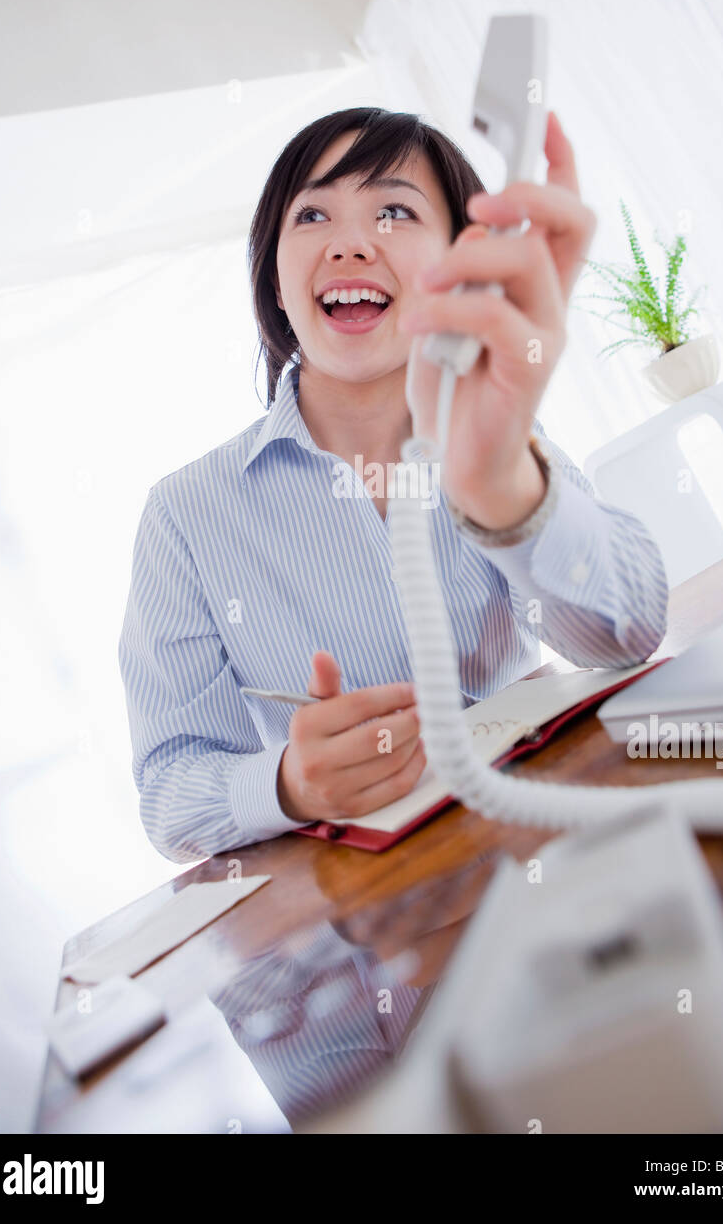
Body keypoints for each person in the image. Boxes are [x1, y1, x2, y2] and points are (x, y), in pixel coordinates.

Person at [118, 106, 668, 864]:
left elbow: (628, 633)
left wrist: (502, 486)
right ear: (274, 281)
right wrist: (287, 783)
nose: (349, 243)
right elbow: (169, 790)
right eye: (312, 214)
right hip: (366, 905)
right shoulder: (184, 515)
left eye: (394, 210)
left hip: (538, 849)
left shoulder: (494, 434)